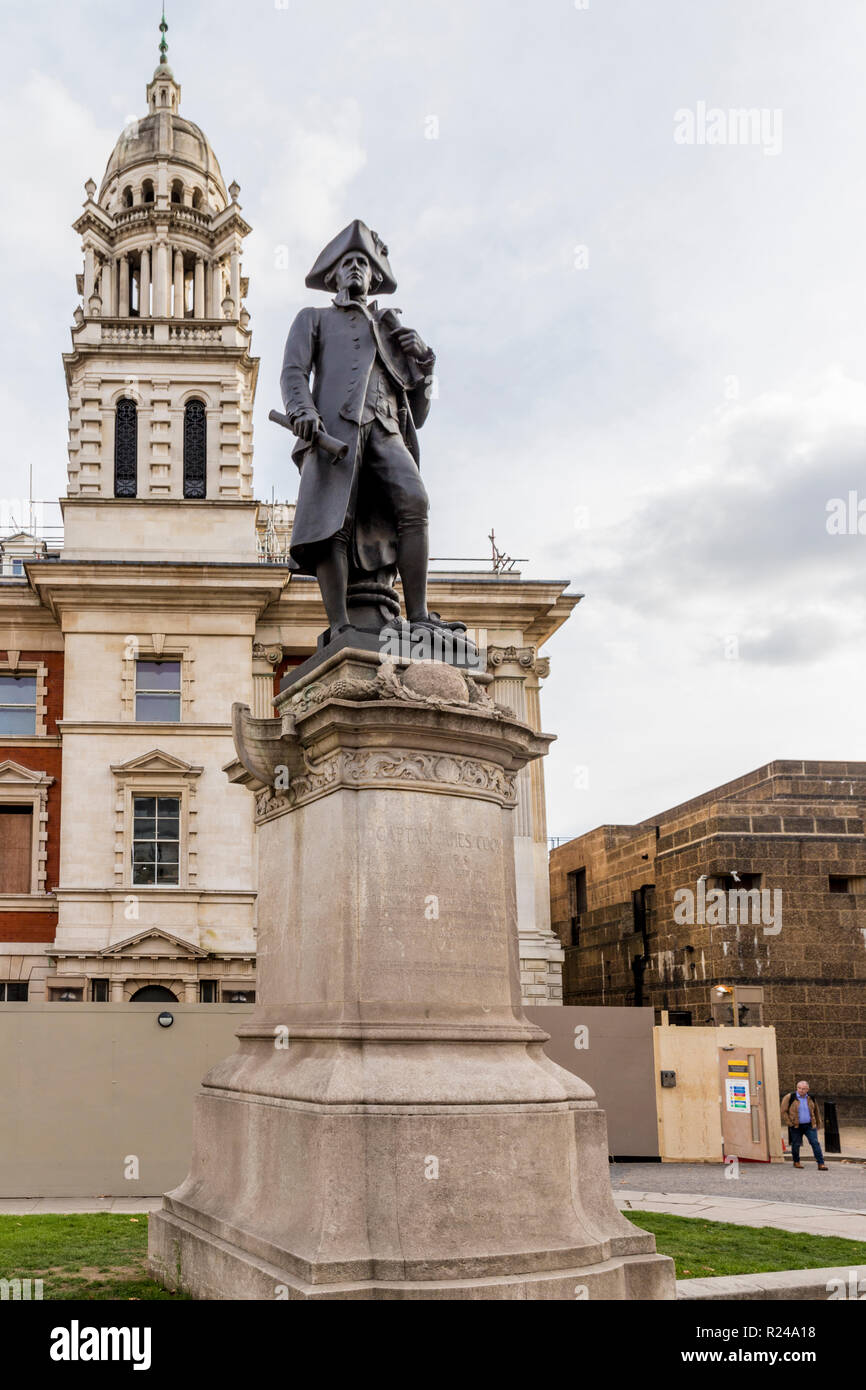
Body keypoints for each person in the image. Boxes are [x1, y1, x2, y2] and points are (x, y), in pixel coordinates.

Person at [280, 219, 446, 640]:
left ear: (374, 276)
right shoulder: (313, 318)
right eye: (347, 262)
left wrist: (424, 365)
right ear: (333, 274)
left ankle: (420, 614)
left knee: (415, 501)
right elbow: (294, 373)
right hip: (336, 433)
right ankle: (340, 626)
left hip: (387, 428)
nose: (356, 268)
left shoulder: (393, 330)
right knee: (336, 521)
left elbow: (420, 410)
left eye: (363, 263)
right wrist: (302, 412)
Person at [780, 1080, 828, 1170]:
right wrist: (790, 1123)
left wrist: (818, 1123)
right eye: (799, 1088)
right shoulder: (790, 1097)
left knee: (815, 1143)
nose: (801, 1090)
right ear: (797, 1088)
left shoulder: (811, 1098)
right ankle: (796, 1161)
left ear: (807, 1089)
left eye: (804, 1089)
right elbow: (783, 1111)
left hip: (809, 1125)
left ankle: (821, 1163)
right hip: (796, 1125)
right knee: (796, 1144)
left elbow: (816, 1111)